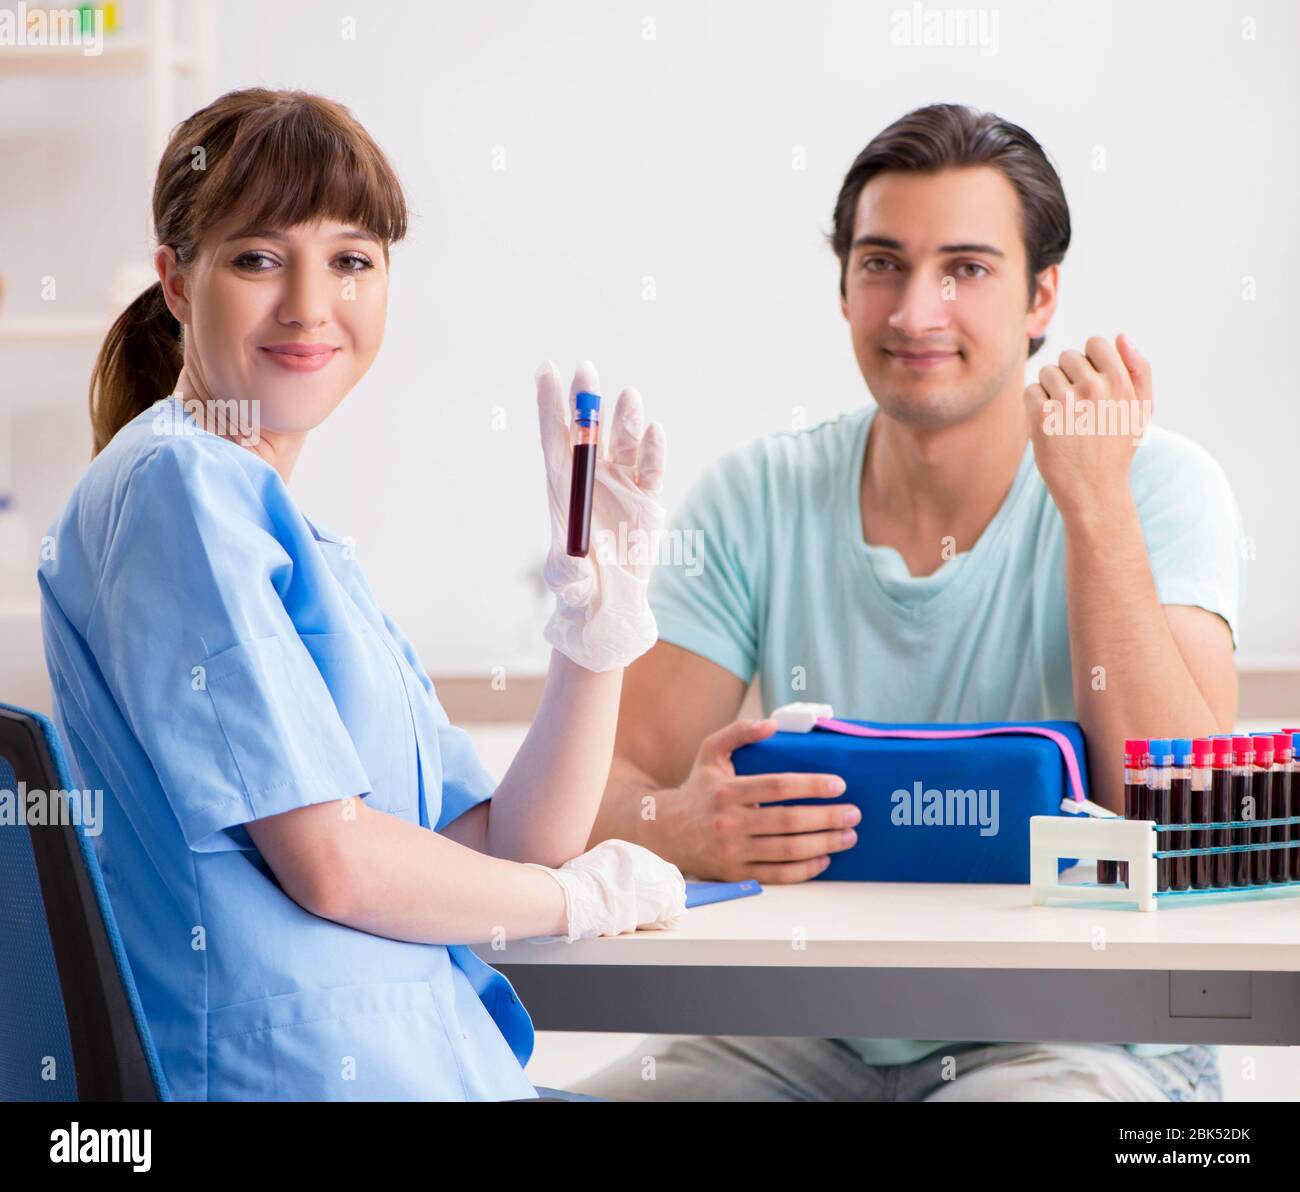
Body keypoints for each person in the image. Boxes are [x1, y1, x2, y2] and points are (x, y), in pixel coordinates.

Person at [577, 103, 1243, 1101]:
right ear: (844, 288)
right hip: (802, 1026)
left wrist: (1093, 509)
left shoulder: (1153, 484)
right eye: (881, 263)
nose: (913, 312)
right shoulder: (758, 495)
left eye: (966, 269)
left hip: (1089, 1033)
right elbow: (600, 786)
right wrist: (677, 824)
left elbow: (1189, 821)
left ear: (1040, 297)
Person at [38, 87, 685, 1102]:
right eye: (257, 258)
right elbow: (333, 864)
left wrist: (595, 633)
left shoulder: (295, 539)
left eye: (350, 260)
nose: (309, 303)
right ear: (175, 282)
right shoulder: (179, 487)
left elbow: (498, 843)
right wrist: (569, 900)